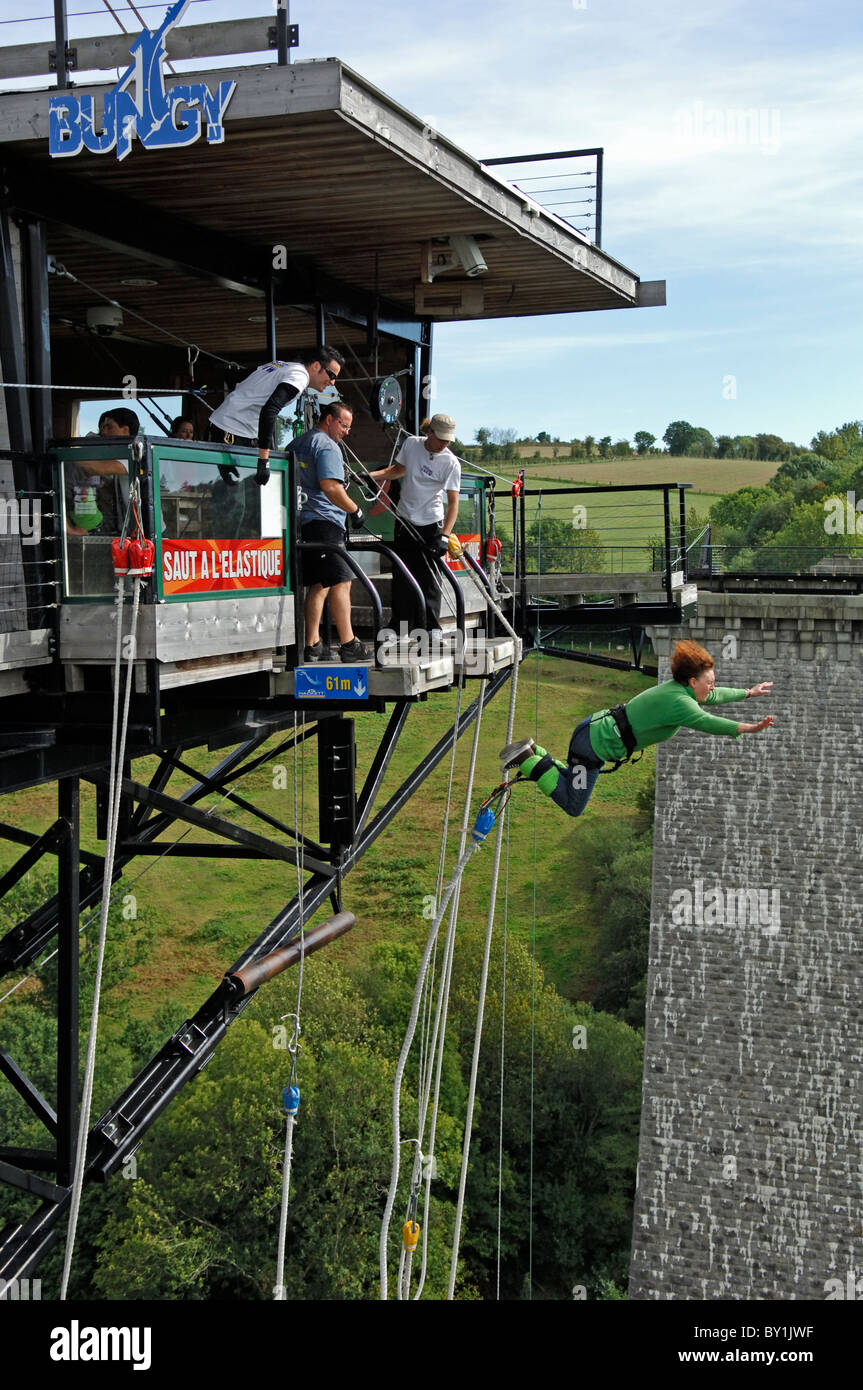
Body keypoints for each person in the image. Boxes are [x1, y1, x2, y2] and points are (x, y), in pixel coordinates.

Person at [500, 640, 774, 818]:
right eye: (710, 682)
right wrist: (748, 728)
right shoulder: (681, 703)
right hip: (591, 748)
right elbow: (708, 722)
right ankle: (528, 759)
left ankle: (535, 752)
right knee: (574, 805)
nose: (713, 687)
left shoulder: (680, 690)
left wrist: (748, 693)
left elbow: (714, 696)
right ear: (693, 681)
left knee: (572, 781)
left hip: (591, 735)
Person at [368, 412, 461, 632]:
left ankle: (430, 628)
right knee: (401, 575)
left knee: (428, 578)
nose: (444, 444)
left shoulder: (451, 463)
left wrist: (445, 536)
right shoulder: (411, 444)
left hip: (431, 523)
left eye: (448, 440)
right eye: (441, 439)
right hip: (404, 519)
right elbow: (397, 470)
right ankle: (399, 626)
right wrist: (370, 476)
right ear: (429, 432)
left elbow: (453, 504)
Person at [296, 402, 371, 663]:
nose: (347, 432)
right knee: (341, 581)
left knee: (319, 584)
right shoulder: (327, 446)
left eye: (349, 427)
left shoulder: (298, 443)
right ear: (329, 419)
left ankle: (312, 644)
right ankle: (349, 644)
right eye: (343, 425)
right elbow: (330, 486)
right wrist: (355, 510)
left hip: (302, 522)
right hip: (325, 521)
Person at [209, 347, 345, 486]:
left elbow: (238, 378)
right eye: (331, 375)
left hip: (225, 428)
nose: (332, 382)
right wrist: (264, 460)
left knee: (229, 489)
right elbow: (270, 410)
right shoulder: (300, 376)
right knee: (237, 494)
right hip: (232, 431)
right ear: (316, 366)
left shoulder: (283, 365)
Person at [65, 406, 137, 535]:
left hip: (146, 529)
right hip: (128, 529)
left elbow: (96, 468)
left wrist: (64, 458)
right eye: (102, 428)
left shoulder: (135, 453)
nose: (103, 432)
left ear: (125, 430)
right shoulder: (116, 455)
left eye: (109, 427)